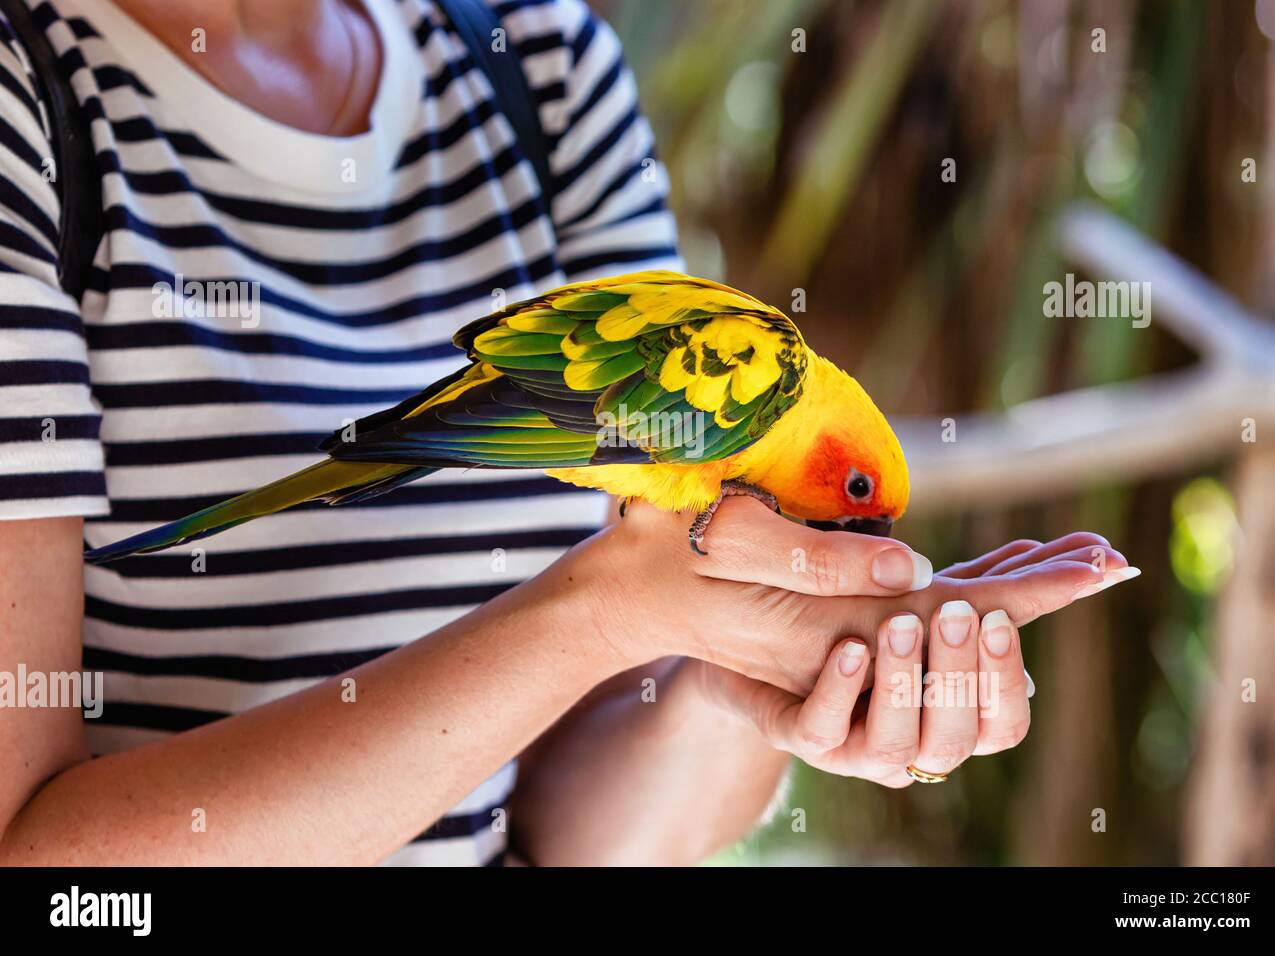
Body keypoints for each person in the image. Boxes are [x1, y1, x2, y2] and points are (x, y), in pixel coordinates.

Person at [0, 0, 1131, 866]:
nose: (843, 514)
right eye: (845, 495)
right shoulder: (31, 93)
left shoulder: (537, 66)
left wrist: (749, 684)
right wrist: (601, 605)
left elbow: (565, 823)